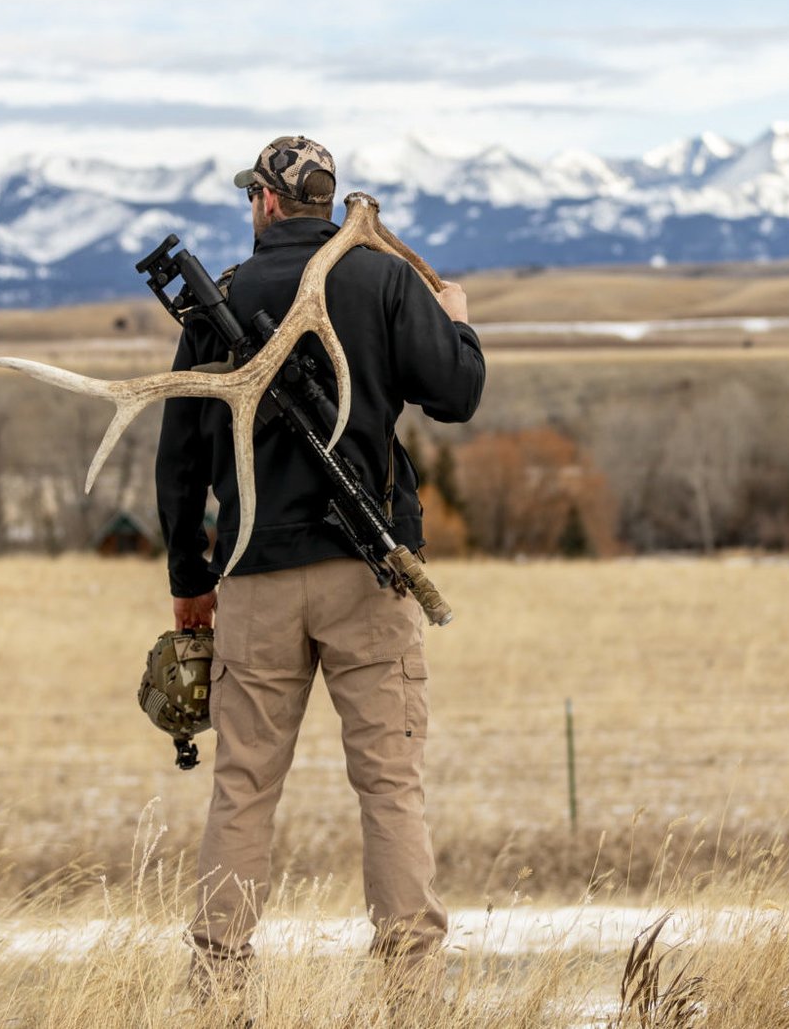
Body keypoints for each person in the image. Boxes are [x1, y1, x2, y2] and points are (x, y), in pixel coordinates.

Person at [154, 135, 484, 1007]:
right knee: (390, 784)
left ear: (265, 203)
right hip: (369, 577)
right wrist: (454, 316)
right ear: (327, 203)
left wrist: (191, 585)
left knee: (243, 787)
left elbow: (180, 463)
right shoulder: (381, 279)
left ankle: (217, 989)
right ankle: (413, 995)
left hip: (254, 578)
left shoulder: (220, 300)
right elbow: (457, 393)